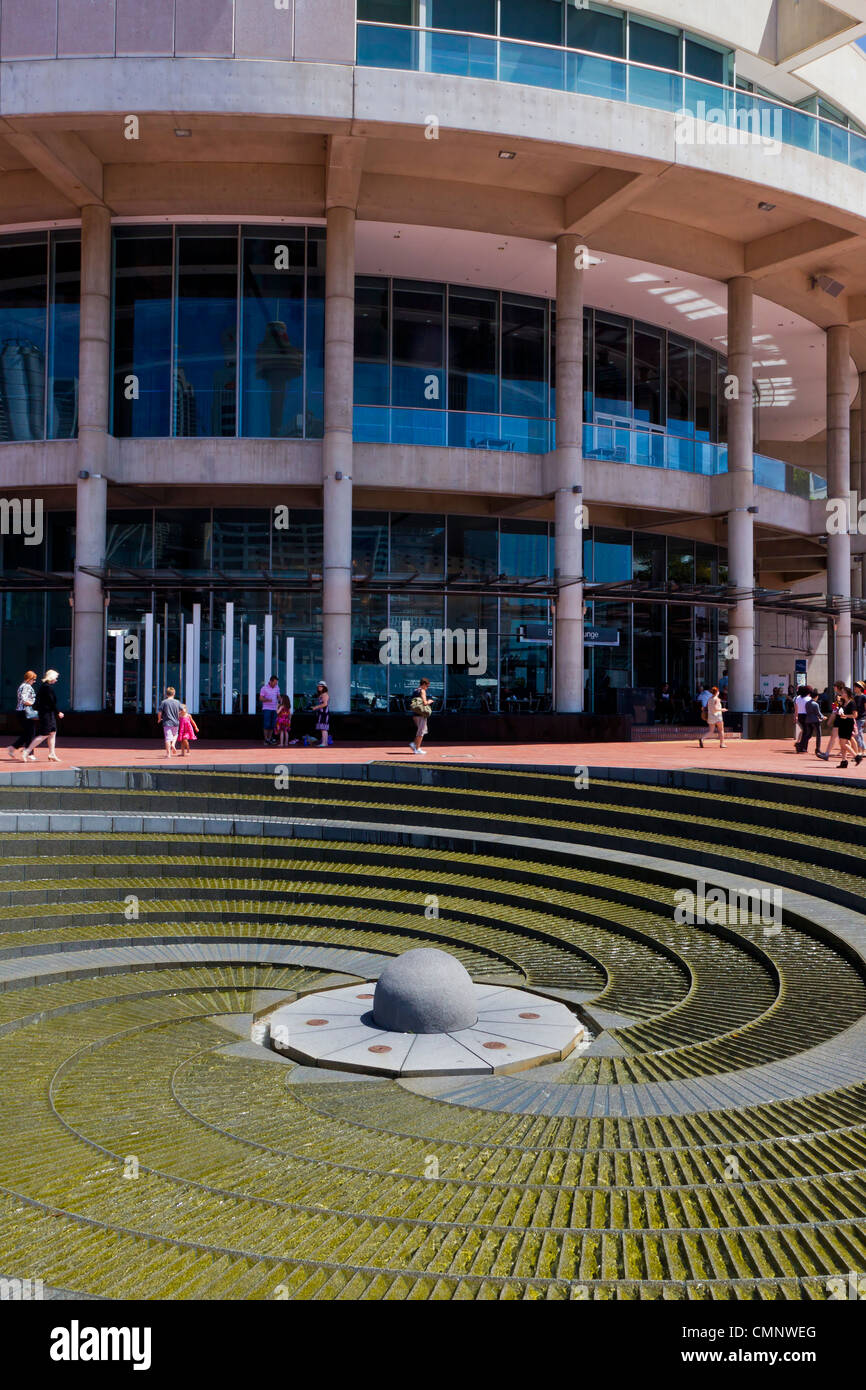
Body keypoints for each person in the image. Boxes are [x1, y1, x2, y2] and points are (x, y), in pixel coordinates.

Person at [18, 670, 64, 762]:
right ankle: (26, 751)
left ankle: (52, 754)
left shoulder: (45, 687)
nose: (56, 680)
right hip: (46, 714)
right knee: (44, 734)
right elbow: (51, 702)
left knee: (52, 733)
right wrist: (58, 712)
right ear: (51, 677)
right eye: (55, 678)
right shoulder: (46, 688)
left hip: (49, 713)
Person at [8, 669, 38, 759]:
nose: (34, 681)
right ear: (29, 679)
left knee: (28, 733)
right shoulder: (26, 687)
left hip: (22, 712)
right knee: (30, 733)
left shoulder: (22, 686)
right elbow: (24, 700)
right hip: (25, 712)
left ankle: (17, 748)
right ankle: (28, 752)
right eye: (33, 679)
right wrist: (34, 703)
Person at [836, 687, 862, 769]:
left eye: (843, 692)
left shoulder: (852, 703)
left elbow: (855, 715)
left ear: (847, 694)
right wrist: (837, 701)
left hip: (848, 724)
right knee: (842, 743)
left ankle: (856, 756)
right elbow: (835, 708)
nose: (841, 694)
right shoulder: (843, 702)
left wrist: (846, 716)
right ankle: (844, 761)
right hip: (842, 724)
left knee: (844, 744)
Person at [797, 687, 824, 755]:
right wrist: (822, 717)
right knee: (813, 734)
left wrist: (796, 715)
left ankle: (801, 746)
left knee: (806, 733)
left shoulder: (798, 698)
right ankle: (804, 746)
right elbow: (817, 713)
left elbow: (796, 707)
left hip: (803, 717)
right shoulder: (812, 701)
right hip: (809, 717)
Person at [157, 685, 182, 757]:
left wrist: (159, 719)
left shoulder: (164, 702)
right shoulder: (177, 702)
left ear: (166, 694)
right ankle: (173, 744)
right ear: (174, 693)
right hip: (175, 722)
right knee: (175, 735)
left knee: (168, 738)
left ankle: (168, 754)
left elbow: (160, 712)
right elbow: (182, 710)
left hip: (167, 723)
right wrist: (179, 715)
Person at [410, 677, 433, 755]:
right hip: (421, 714)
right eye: (427, 686)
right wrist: (430, 701)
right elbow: (425, 703)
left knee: (421, 730)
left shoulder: (415, 690)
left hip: (415, 714)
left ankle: (414, 744)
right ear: (423, 684)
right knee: (421, 732)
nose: (427, 688)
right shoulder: (422, 691)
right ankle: (417, 749)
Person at [258, 675, 280, 746]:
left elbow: (278, 696)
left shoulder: (277, 687)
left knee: (272, 725)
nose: (276, 684)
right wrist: (267, 700)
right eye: (275, 683)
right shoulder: (264, 688)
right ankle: (266, 739)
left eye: (276, 683)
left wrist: (281, 700)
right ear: (270, 681)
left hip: (274, 709)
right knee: (266, 724)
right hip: (267, 709)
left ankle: (269, 739)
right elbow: (260, 698)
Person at [311, 682, 330, 747]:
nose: (319, 687)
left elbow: (325, 704)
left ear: (324, 687)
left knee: (323, 728)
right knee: (323, 728)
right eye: (318, 686)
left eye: (321, 686)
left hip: (324, 713)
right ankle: (325, 742)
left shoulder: (324, 694)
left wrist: (316, 707)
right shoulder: (322, 694)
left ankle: (324, 743)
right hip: (322, 713)